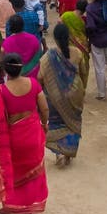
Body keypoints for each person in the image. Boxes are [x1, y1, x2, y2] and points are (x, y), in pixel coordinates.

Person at [0, 53, 49, 214]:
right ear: (21, 67)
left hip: (14, 139)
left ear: (5, 70)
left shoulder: (1, 92)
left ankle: (12, 207)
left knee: (14, 172)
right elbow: (44, 108)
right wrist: (44, 124)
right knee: (33, 172)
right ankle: (29, 210)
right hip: (33, 134)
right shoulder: (34, 84)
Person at [38, 23, 85, 167]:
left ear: (55, 39)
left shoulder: (47, 57)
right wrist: (81, 90)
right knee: (72, 123)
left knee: (56, 124)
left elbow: (40, 77)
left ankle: (59, 153)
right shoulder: (77, 53)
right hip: (74, 94)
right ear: (68, 37)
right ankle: (68, 153)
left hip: (54, 96)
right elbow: (83, 73)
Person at [2, 14, 43, 79]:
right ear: (23, 25)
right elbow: (39, 56)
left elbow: (5, 62)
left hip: (15, 77)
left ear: (10, 27)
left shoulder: (6, 43)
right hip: (34, 76)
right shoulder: (33, 39)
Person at [61, 0, 90, 88]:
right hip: (83, 48)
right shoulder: (85, 20)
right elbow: (88, 32)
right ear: (85, 10)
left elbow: (59, 25)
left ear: (75, 5)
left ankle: (69, 88)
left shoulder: (66, 15)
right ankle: (81, 89)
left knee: (69, 68)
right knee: (83, 70)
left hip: (70, 47)